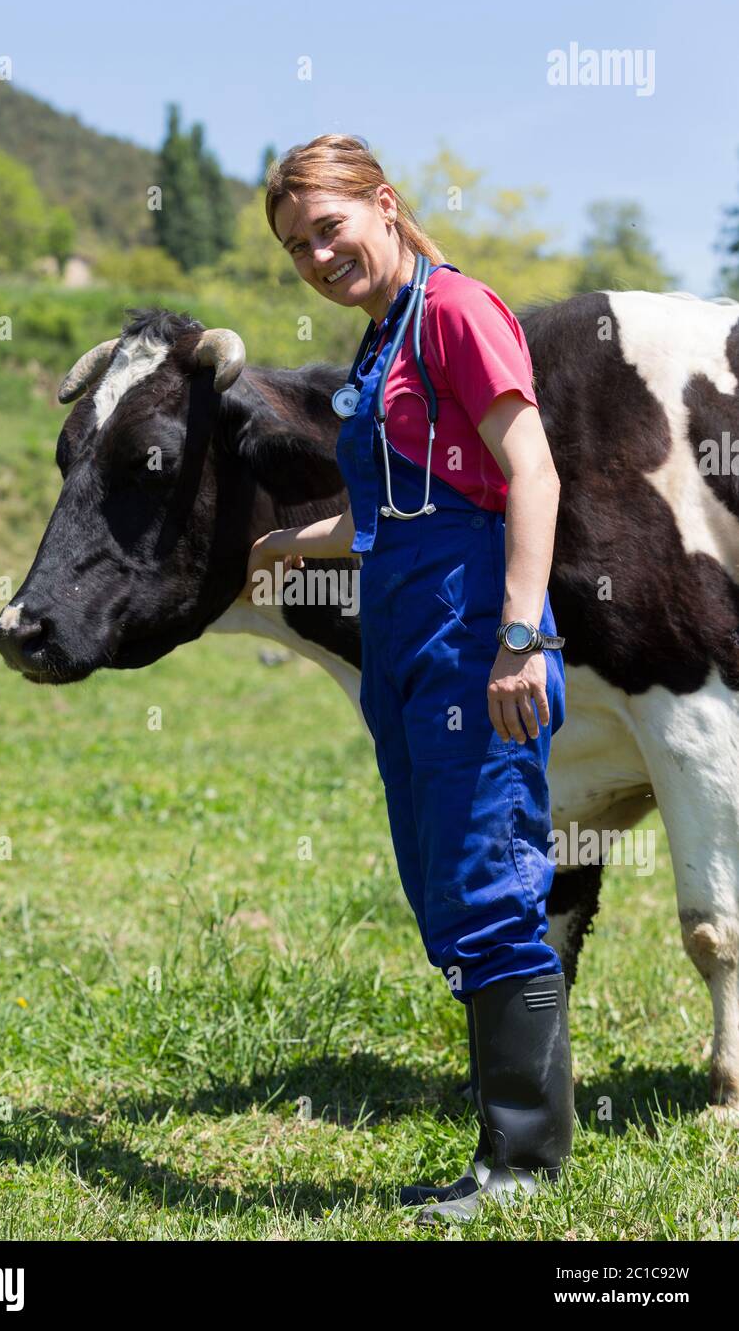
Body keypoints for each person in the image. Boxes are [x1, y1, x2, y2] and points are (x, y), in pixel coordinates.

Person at [242, 133, 574, 1223]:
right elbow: (390, 508)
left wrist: (518, 638)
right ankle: (505, 1144)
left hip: (473, 630)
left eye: (327, 227)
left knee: (488, 884)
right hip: (402, 641)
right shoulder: (382, 339)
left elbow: (529, 470)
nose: (315, 254)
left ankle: (522, 1163)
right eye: (296, 246)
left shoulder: (454, 312)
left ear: (382, 206)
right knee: (444, 889)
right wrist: (291, 543)